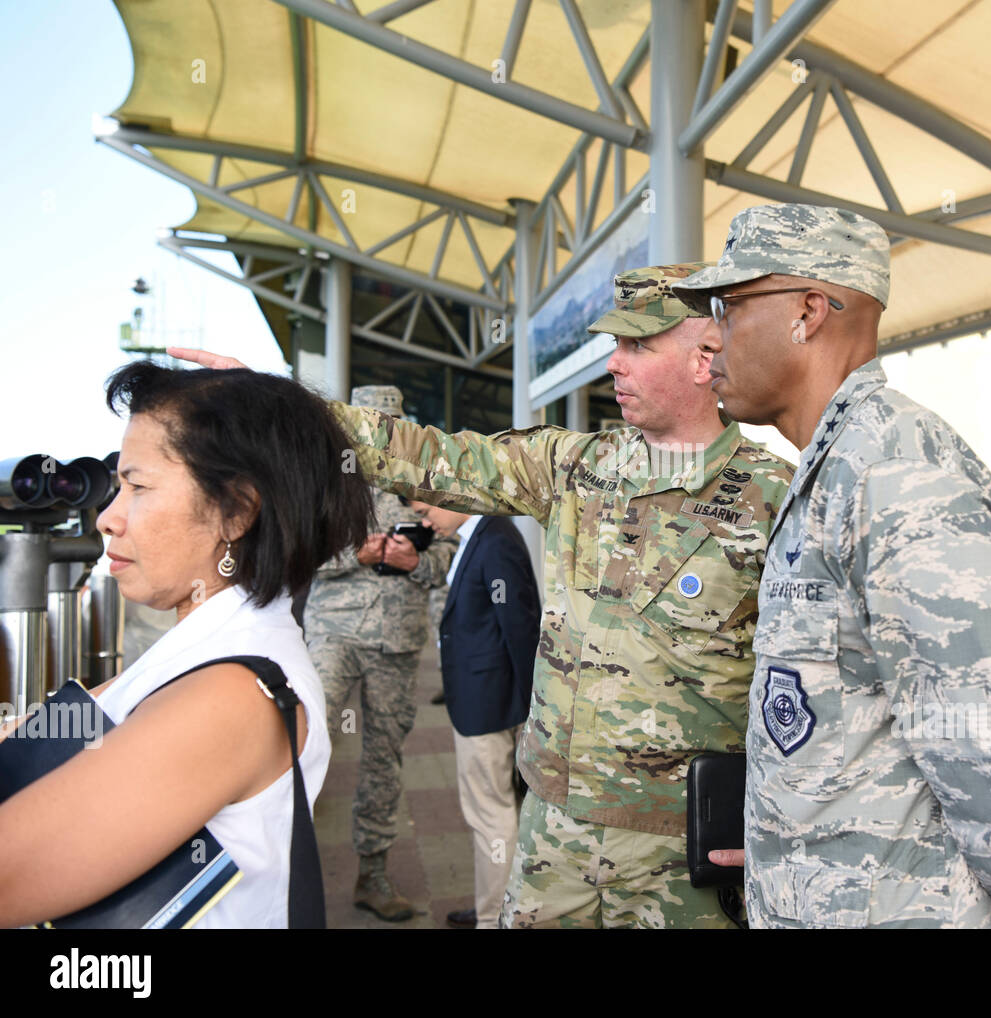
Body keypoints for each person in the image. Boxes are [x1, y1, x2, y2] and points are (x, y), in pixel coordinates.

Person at [170, 263, 794, 928]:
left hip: (683, 848)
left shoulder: (774, 498)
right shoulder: (574, 468)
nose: (614, 364)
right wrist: (279, 411)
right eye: (615, 344)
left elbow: (819, 687)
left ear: (705, 358)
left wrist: (784, 826)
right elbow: (428, 454)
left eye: (637, 346)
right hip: (553, 835)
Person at [673, 203, 991, 928]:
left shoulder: (898, 473)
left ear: (807, 312)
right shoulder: (840, 463)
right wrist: (791, 839)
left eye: (730, 306)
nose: (711, 339)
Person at [0, 360, 372, 927]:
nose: (107, 518)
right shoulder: (208, 647)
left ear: (237, 512)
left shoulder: (232, 695)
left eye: (138, 487)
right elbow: (48, 733)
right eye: (116, 486)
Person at [303, 384, 458, 922]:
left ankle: (372, 873)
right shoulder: (327, 486)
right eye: (369, 422)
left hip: (397, 641)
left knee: (383, 758)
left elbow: (447, 563)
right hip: (335, 634)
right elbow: (300, 560)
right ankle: (283, 863)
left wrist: (417, 562)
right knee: (306, 739)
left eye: (387, 423)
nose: (377, 432)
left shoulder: (422, 486)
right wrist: (357, 552)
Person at [410, 502, 540, 929]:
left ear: (454, 497)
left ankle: (495, 917)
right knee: (491, 814)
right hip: (482, 699)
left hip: (491, 704)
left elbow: (520, 626)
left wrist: (530, 710)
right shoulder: (481, 537)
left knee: (491, 817)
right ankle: (494, 901)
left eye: (426, 510)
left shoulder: (496, 540)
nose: (424, 521)